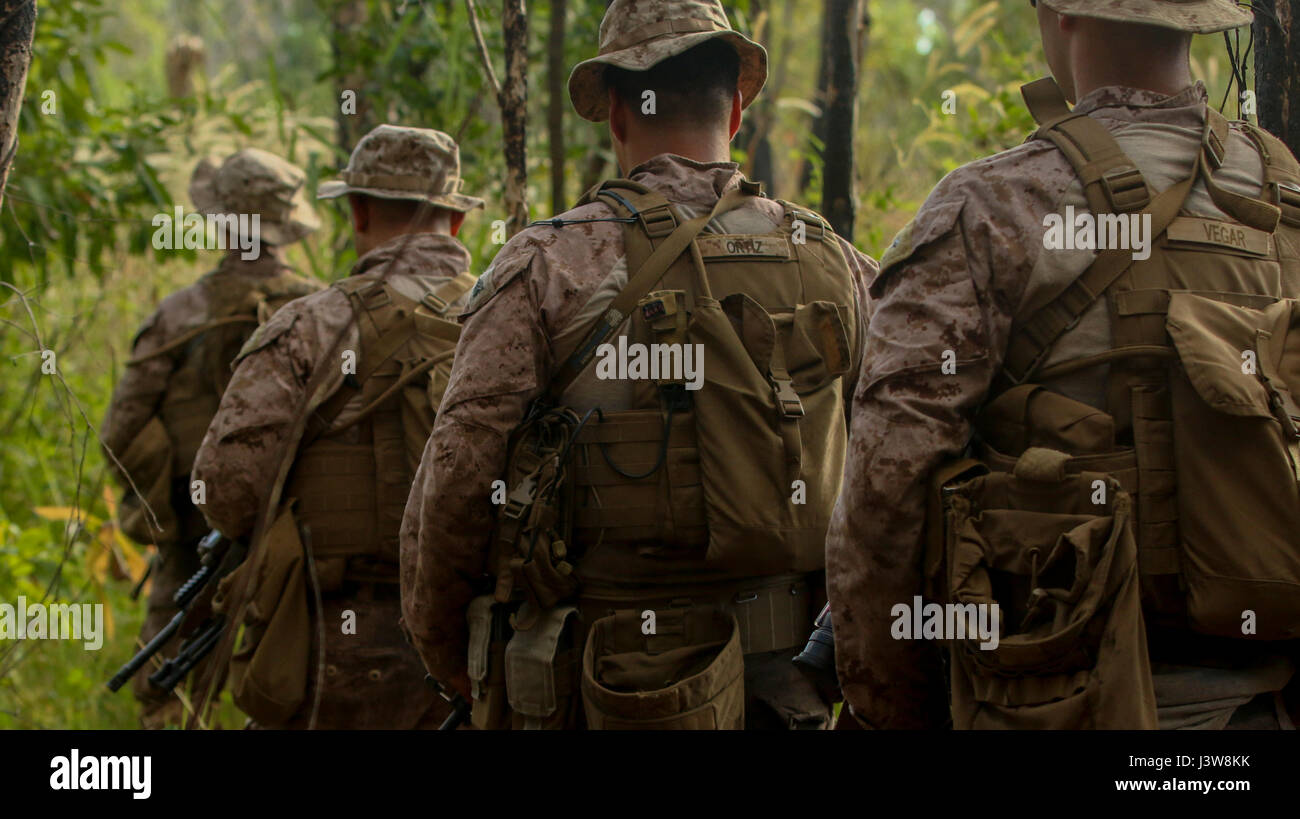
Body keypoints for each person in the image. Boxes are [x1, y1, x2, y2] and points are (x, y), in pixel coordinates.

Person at [401, 0, 875, 730]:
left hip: (605, 683)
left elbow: (459, 480)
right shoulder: (836, 260)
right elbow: (905, 462)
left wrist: (454, 656)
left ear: (617, 113)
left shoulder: (548, 262)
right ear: (738, 108)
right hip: (789, 688)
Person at [827, 0, 1300, 730]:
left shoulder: (991, 205)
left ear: (1058, 13)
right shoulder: (1285, 198)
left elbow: (886, 490)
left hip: (1057, 702)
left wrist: (891, 707)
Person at [190, 125, 484, 729]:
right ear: (455, 222)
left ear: (358, 210)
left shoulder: (306, 327)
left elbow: (226, 493)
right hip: (483, 649)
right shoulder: (516, 315)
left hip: (337, 646)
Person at [102, 148, 322, 728]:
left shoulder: (179, 314)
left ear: (223, 223)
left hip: (194, 527)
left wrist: (162, 509)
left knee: (169, 680)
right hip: (297, 529)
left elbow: (120, 429)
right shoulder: (324, 309)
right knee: (293, 672)